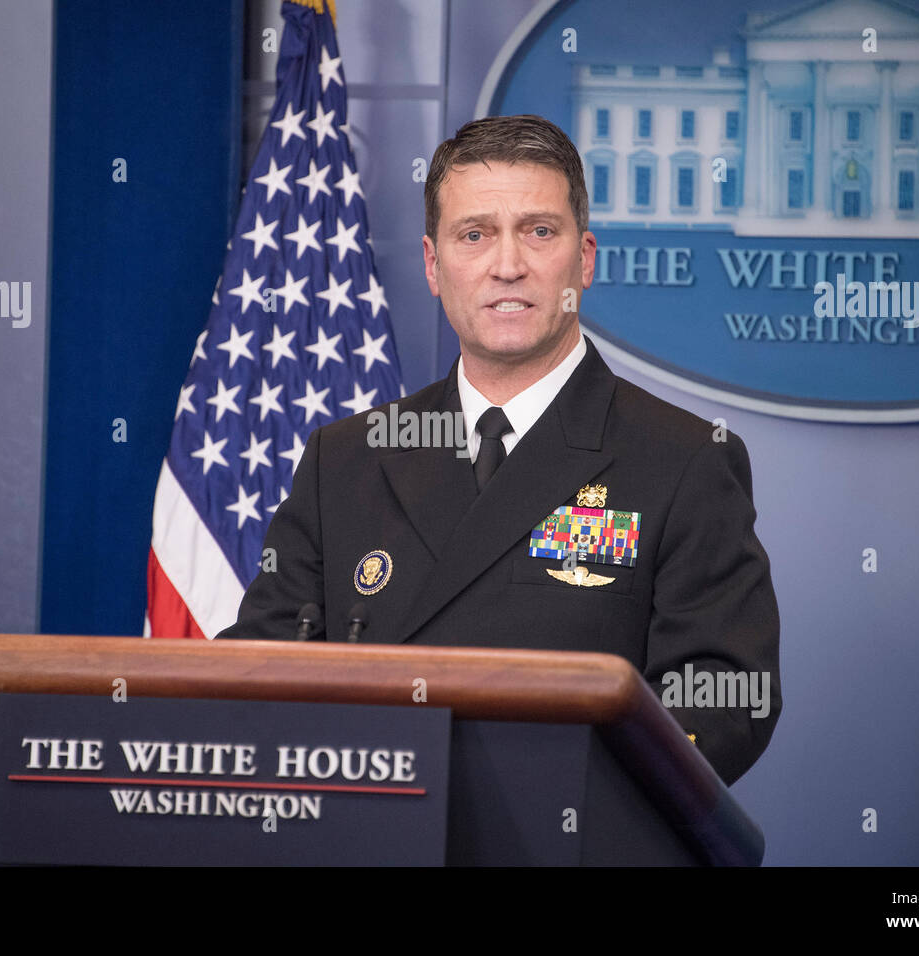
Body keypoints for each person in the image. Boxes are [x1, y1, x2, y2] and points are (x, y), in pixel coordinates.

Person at [217, 114, 781, 786]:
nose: (507, 265)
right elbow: (258, 671)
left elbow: (723, 698)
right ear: (433, 265)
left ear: (586, 258)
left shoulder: (685, 460)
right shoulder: (345, 459)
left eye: (539, 232)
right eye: (474, 235)